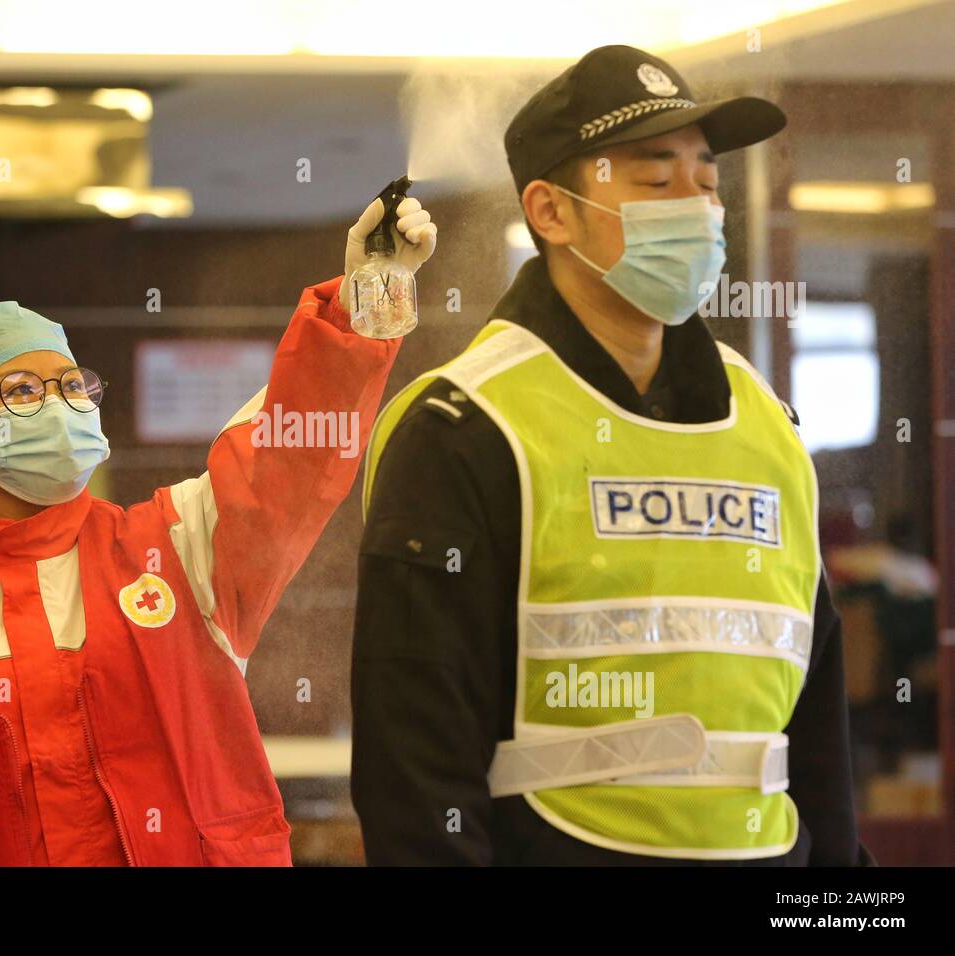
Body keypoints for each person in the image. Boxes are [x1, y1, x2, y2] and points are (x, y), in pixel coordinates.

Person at [352, 44, 874, 865]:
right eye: (657, 180)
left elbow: (815, 728)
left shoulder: (767, 425)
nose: (699, 205)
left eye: (708, 180)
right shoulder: (464, 426)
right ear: (551, 212)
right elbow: (414, 767)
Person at [0, 196, 437, 866]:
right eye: (21, 392)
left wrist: (372, 295)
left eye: (73, 386)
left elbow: (287, 453)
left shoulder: (179, 549)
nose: (60, 407)